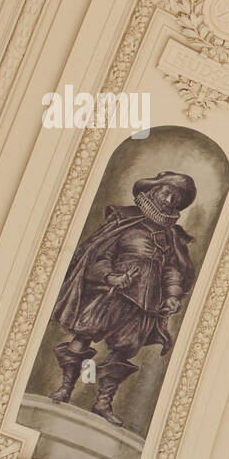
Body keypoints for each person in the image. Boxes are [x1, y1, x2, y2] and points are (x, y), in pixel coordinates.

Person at [47, 171, 197, 426]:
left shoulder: (172, 236)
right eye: (165, 192)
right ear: (152, 191)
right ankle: (65, 389)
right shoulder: (123, 220)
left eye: (175, 197)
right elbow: (98, 256)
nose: (169, 199)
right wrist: (111, 277)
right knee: (84, 334)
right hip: (112, 294)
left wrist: (171, 296)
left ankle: (103, 403)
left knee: (125, 350)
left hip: (145, 303)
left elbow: (172, 270)